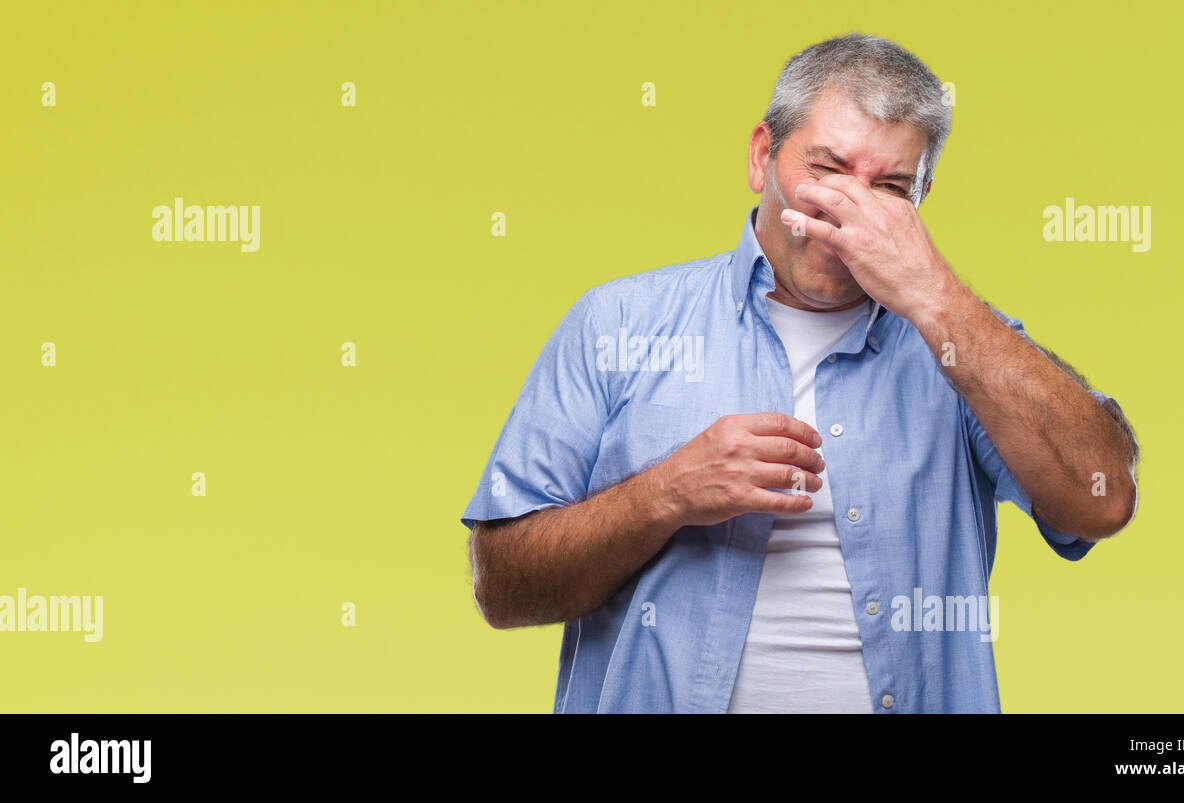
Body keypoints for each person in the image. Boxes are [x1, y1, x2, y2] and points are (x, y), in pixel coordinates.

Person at [460, 32, 1139, 713]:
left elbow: (1102, 498)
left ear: (925, 195)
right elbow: (502, 586)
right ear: (764, 157)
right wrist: (664, 494)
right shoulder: (617, 324)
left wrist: (935, 296)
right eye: (829, 169)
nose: (851, 209)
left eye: (891, 188)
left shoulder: (967, 350)